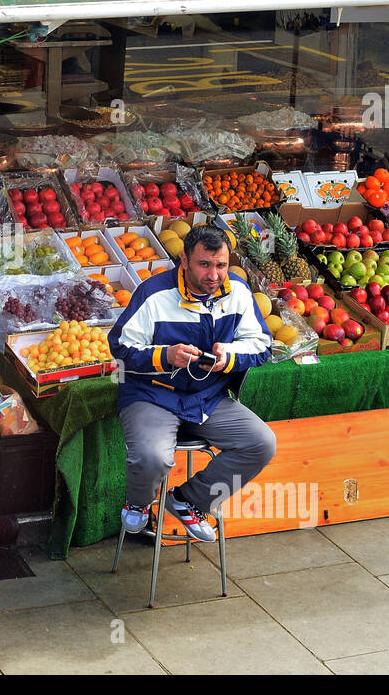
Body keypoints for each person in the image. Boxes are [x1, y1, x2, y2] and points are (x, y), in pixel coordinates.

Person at [108, 225, 276, 542]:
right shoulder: (153, 293)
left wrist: (231, 357)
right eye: (204, 264)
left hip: (207, 397)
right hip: (151, 395)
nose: (214, 274)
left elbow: (261, 345)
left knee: (261, 443)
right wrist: (165, 355)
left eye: (221, 265)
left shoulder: (238, 292)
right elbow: (120, 349)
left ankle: (190, 500)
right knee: (152, 457)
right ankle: (139, 503)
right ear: (184, 260)